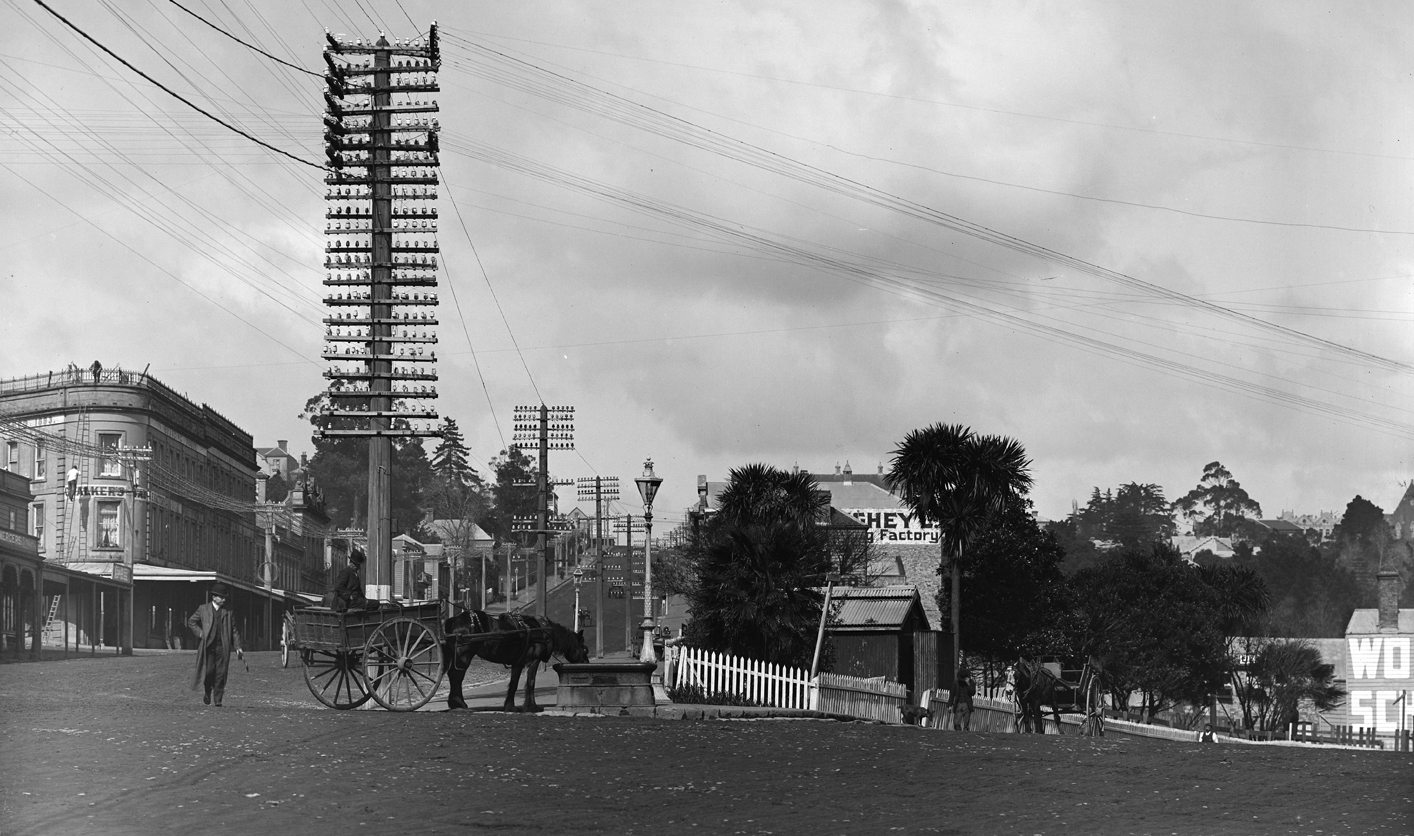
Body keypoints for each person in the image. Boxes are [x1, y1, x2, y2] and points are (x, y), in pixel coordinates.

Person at [187, 582, 242, 707]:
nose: (223, 599)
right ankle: (207, 691)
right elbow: (191, 622)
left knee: (221, 673)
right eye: (221, 597)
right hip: (208, 647)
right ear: (213, 597)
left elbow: (234, 630)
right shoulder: (203, 609)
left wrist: (238, 647)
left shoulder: (228, 612)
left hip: (223, 646)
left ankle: (218, 699)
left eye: (224, 597)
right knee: (209, 671)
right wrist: (200, 634)